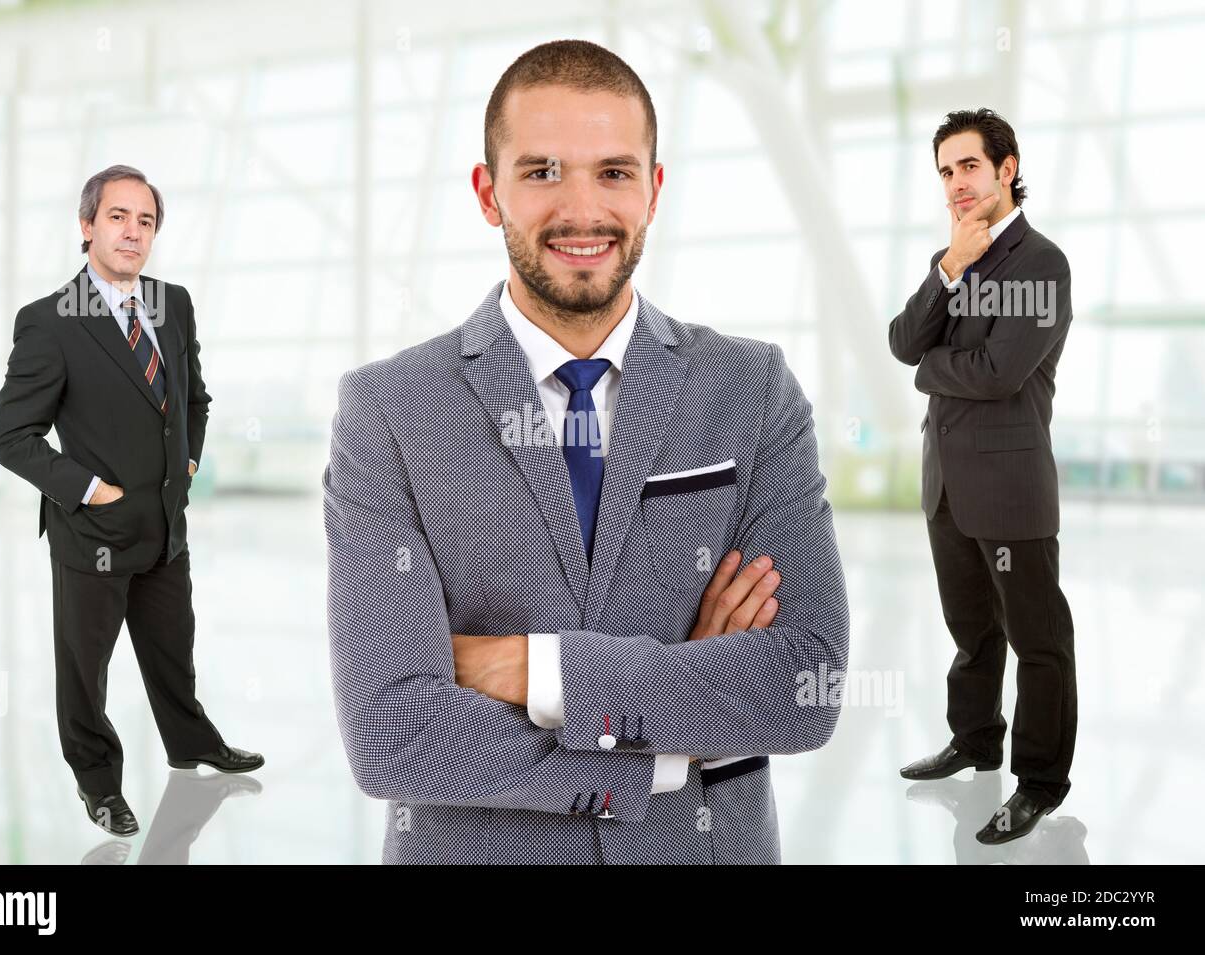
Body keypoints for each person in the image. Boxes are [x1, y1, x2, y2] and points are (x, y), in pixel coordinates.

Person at [324, 40, 849, 864]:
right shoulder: (389, 410)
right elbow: (393, 732)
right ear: (487, 192)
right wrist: (675, 735)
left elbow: (801, 682)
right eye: (541, 172)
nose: (581, 210)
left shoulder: (751, 392)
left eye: (612, 171)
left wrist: (534, 671)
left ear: (653, 189)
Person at [0, 164, 262, 837]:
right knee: (86, 670)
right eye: (118, 217)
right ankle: (98, 781)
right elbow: (10, 436)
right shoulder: (50, 322)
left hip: (166, 523)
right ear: (87, 227)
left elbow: (194, 397)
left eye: (145, 221)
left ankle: (190, 741)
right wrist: (89, 489)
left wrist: (189, 460)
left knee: (174, 646)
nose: (133, 232)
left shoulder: (173, 303)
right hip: (94, 532)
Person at [889, 109, 1077, 845]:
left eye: (969, 165)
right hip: (947, 483)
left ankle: (1040, 780)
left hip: (1010, 485)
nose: (956, 183)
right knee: (971, 630)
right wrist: (948, 270)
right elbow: (905, 339)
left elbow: (1000, 372)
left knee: (1037, 636)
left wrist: (931, 370)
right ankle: (975, 739)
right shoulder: (954, 257)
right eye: (945, 171)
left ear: (1007, 167)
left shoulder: (1042, 262)